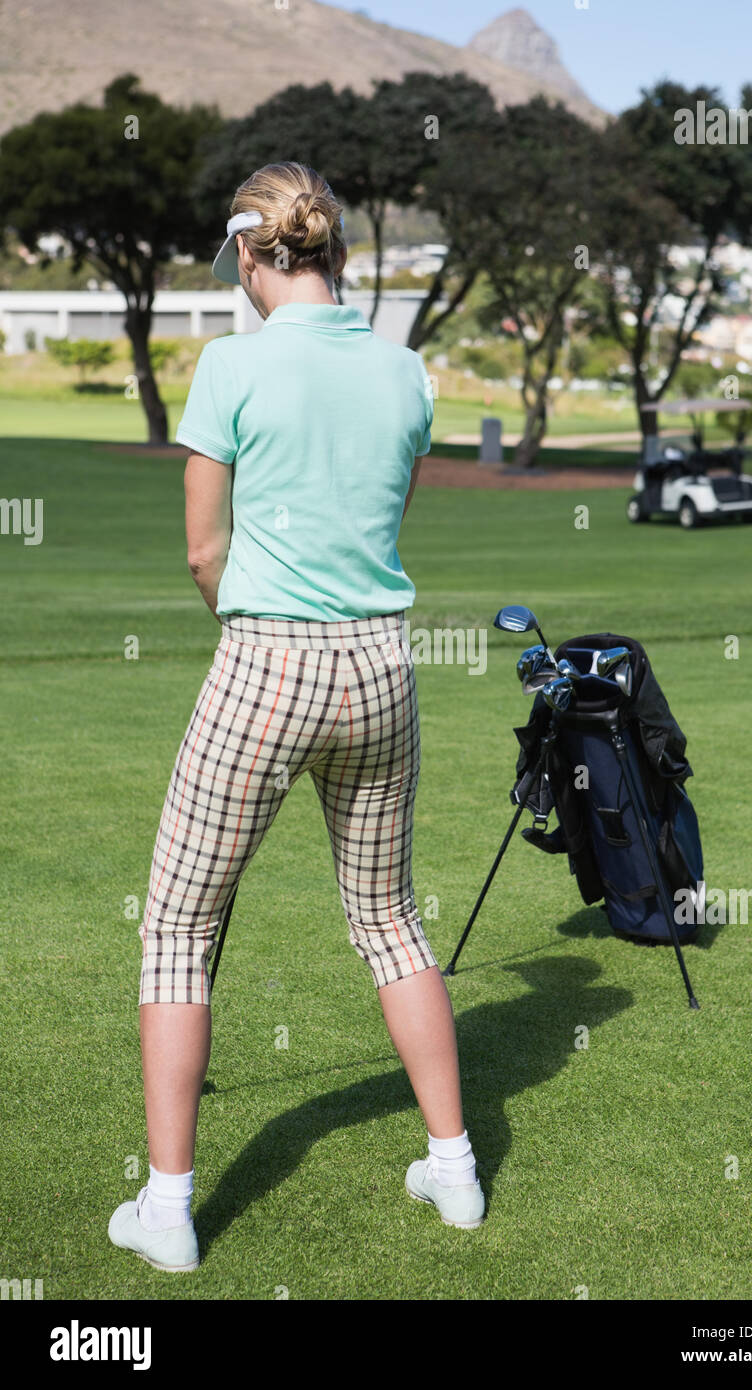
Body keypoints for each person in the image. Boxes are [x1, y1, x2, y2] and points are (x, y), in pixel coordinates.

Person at [108, 162, 485, 1272]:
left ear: (252, 256)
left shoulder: (230, 363)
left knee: (176, 928)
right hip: (382, 672)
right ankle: (453, 1168)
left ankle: (169, 1209)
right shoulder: (405, 371)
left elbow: (202, 550)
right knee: (387, 921)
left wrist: (244, 625)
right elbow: (377, 531)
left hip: (267, 663)